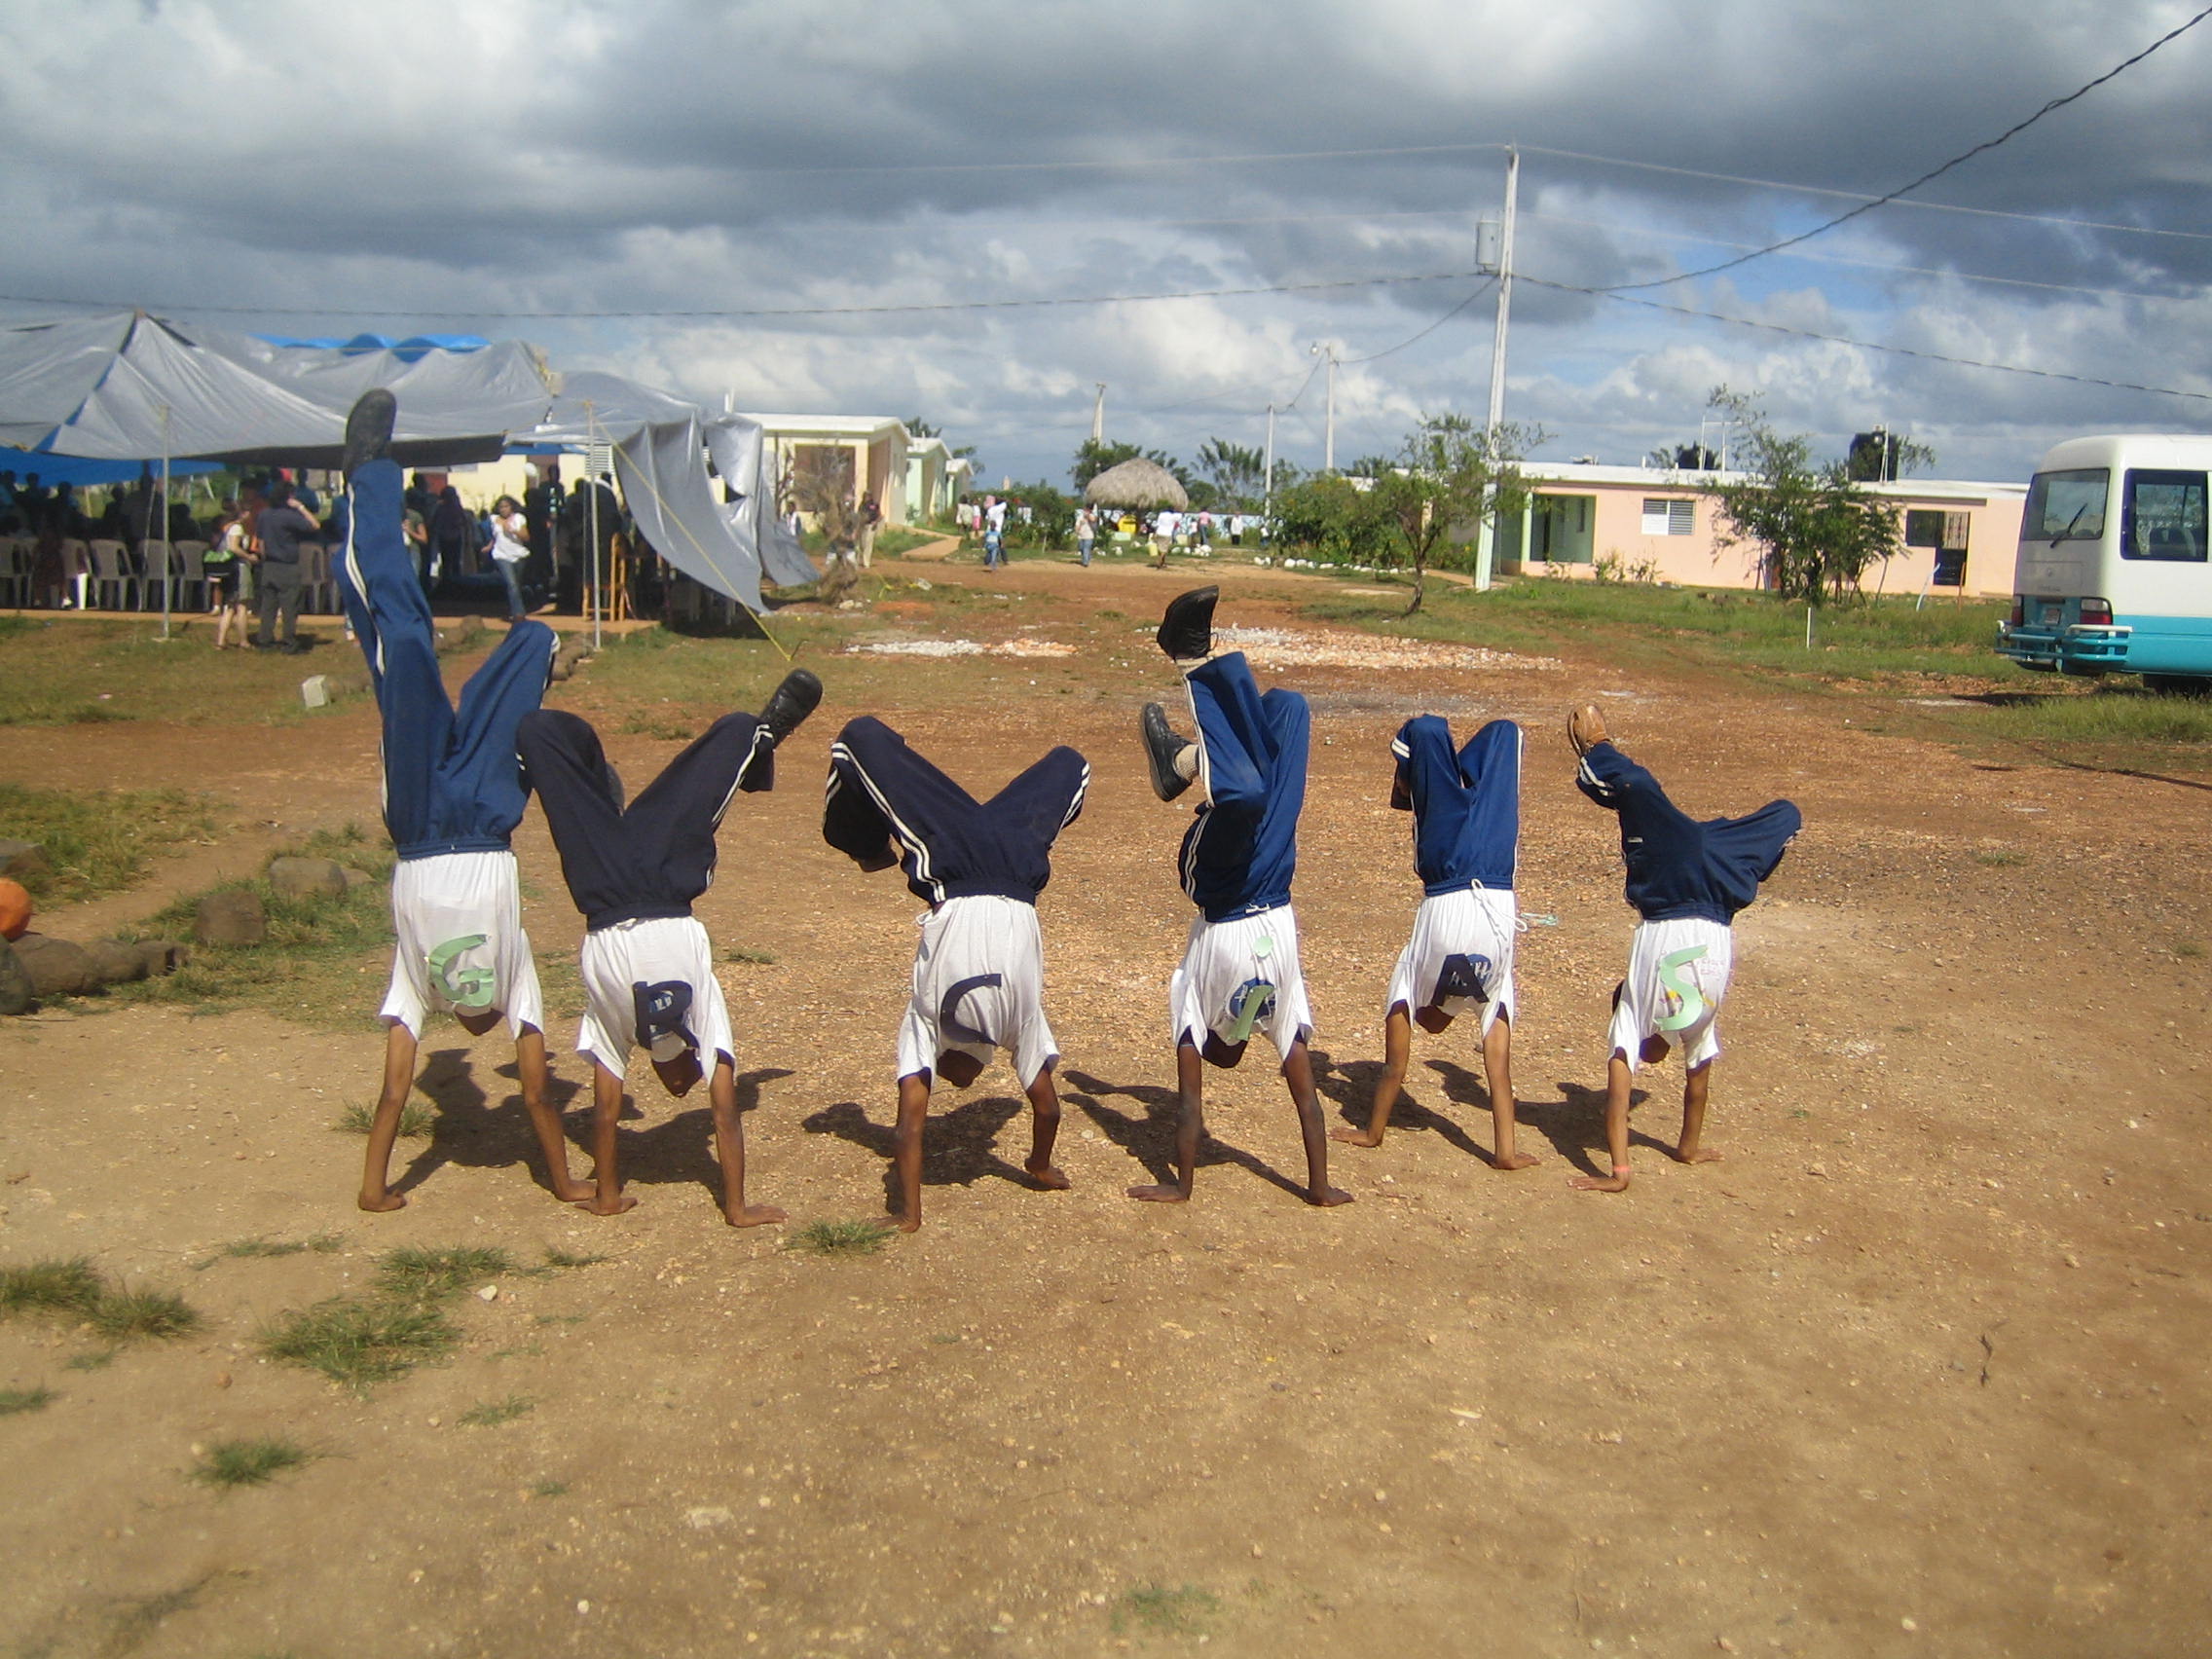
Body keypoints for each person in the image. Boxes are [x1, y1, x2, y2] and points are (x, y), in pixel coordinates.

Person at [332, 389, 578, 1215]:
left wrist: (375, 1190)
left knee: (402, 644)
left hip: (419, 826)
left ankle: (365, 476)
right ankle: (545, 664)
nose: (478, 1031)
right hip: (484, 814)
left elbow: (397, 1094)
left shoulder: (415, 993)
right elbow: (541, 1097)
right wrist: (572, 1183)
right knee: (536, 642)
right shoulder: (519, 992)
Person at [516, 668, 822, 1226]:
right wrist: (737, 1206)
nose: (684, 1081)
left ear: (660, 1070)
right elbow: (726, 1113)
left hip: (604, 893)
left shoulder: (619, 1027)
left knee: (538, 731)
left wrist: (609, 1195)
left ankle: (597, 796)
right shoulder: (704, 1019)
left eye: (675, 1081)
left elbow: (605, 1115)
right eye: (690, 1078)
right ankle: (767, 735)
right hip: (664, 883)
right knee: (730, 735)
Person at [822, 716, 1088, 1232]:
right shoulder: (996, 1026)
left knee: (1071, 765)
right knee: (1071, 761)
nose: (958, 1078)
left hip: (986, 863)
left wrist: (909, 1214)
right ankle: (919, 831)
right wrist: (1037, 1165)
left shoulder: (985, 1027)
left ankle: (863, 844)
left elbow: (912, 1127)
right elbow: (912, 1124)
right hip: (1001, 861)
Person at [1132, 587, 1351, 1210]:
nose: (1227, 1045)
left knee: (1246, 797)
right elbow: (1307, 1099)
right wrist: (1318, 1185)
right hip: (1274, 883)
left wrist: (1181, 1183)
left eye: (1216, 1049)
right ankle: (1183, 760)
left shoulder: (1194, 1005)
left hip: (1220, 885)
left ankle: (1189, 658)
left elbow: (1188, 1105)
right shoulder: (1278, 1014)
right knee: (1288, 709)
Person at [1565, 703, 1801, 1194]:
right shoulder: (1651, 1015)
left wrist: (1621, 1174)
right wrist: (1685, 1150)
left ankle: (1599, 750)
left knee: (1655, 796)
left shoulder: (1659, 1018)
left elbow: (1631, 1094)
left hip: (1696, 902)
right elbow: (1689, 1090)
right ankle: (1600, 749)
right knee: (1779, 813)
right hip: (1703, 895)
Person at [1332, 715, 1534, 1168]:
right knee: (1459, 730)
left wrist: (1371, 1134)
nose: (1432, 1026)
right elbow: (1398, 1070)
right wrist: (1504, 1154)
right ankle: (1425, 781)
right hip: (1475, 880)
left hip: (1483, 882)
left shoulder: (1439, 983)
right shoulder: (1414, 983)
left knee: (1486, 734)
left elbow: (1399, 1070)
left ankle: (1428, 782)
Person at [252, 480, 323, 652]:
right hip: (287, 565)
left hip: (269, 564)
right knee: (289, 607)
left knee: (268, 606)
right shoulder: (290, 516)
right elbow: (315, 525)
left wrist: (264, 557)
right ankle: (288, 641)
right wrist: (301, 508)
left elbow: (260, 541)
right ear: (289, 497)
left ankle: (265, 640)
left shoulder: (264, 514)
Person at [203, 500, 251, 649]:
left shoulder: (226, 527)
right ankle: (243, 640)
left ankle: (221, 640)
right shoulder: (237, 528)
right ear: (243, 513)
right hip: (238, 568)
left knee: (229, 606)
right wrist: (250, 557)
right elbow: (234, 548)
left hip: (227, 569)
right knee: (242, 605)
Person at [488, 494, 530, 620]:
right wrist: (489, 546)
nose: (503, 509)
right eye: (501, 507)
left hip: (518, 554)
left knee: (517, 585)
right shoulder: (494, 519)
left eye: (506, 506)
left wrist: (512, 530)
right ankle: (519, 614)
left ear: (511, 507)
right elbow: (495, 537)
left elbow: (526, 537)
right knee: (511, 584)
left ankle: (513, 609)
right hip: (501, 555)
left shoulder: (519, 518)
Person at [857, 493, 881, 569]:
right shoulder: (861, 505)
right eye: (864, 496)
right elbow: (859, 514)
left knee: (868, 543)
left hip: (871, 526)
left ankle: (866, 562)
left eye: (867, 496)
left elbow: (880, 515)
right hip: (862, 525)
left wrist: (876, 522)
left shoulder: (874, 505)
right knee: (862, 544)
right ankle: (858, 561)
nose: (866, 498)